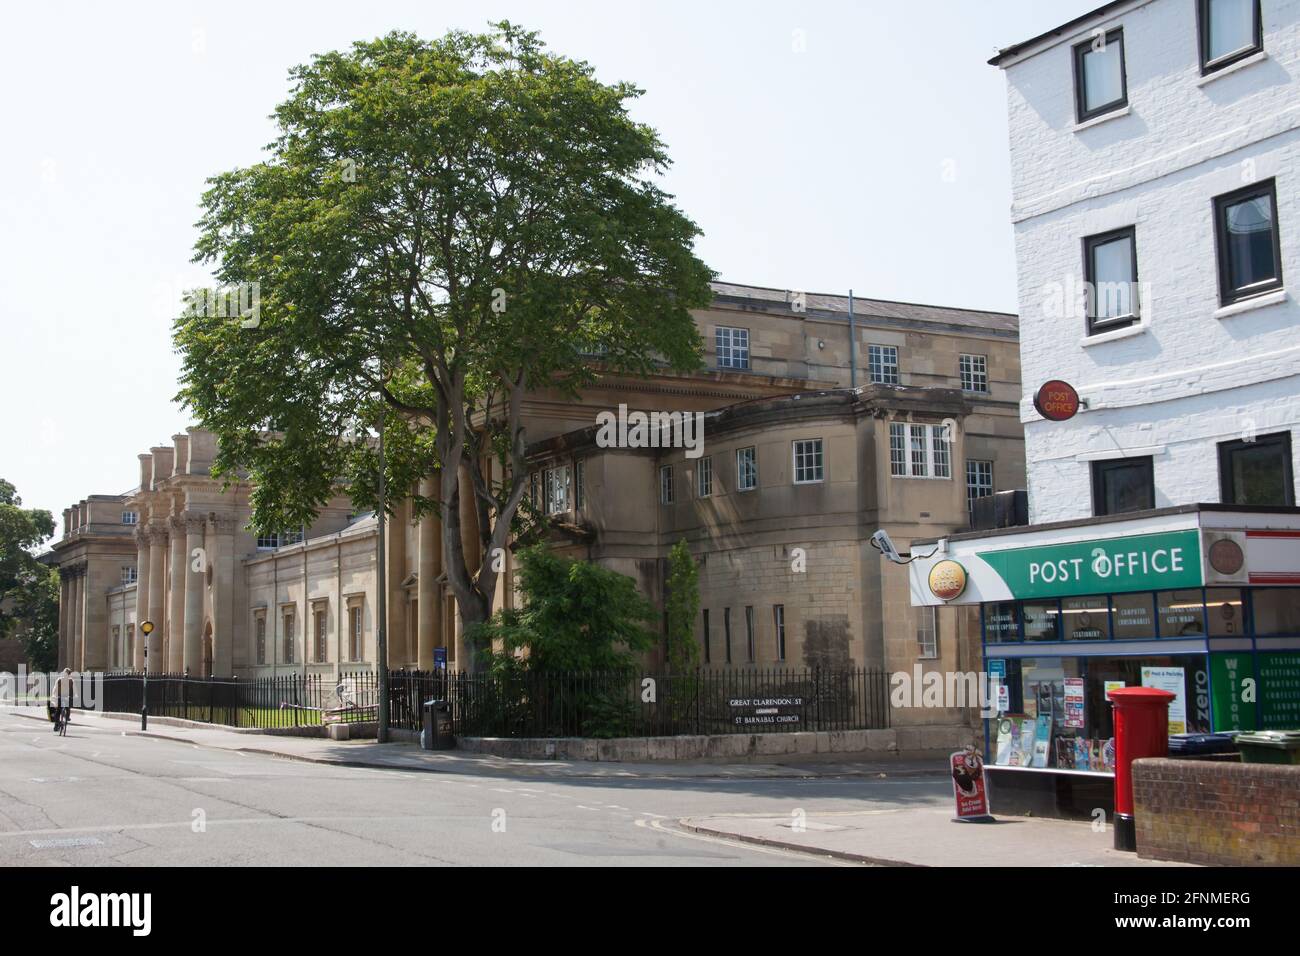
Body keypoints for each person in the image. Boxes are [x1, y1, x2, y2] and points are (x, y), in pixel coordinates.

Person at [53, 668, 74, 734]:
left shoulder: (70, 681)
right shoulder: (60, 680)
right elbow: (55, 689)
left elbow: (73, 689)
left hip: (65, 697)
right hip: (61, 696)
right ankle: (59, 722)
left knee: (60, 710)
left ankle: (61, 721)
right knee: (60, 709)